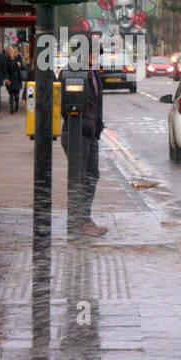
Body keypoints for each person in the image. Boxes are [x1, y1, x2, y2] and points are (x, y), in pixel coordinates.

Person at [62, 67, 107, 239]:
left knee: (91, 175)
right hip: (76, 133)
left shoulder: (94, 73)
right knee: (78, 179)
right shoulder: (74, 72)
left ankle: (83, 219)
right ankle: (79, 222)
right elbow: (65, 103)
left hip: (91, 133)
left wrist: (96, 126)